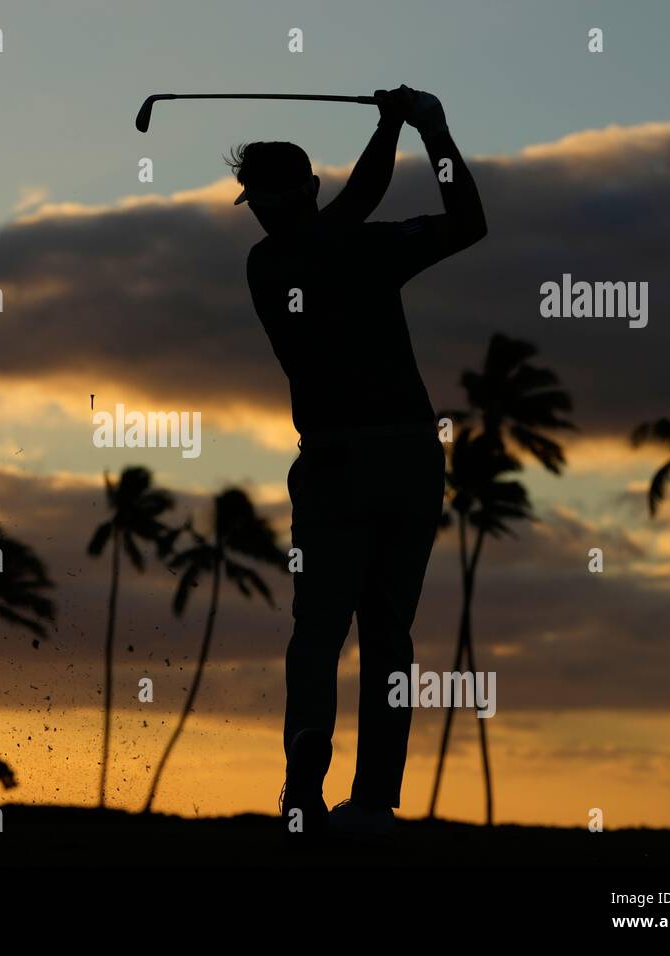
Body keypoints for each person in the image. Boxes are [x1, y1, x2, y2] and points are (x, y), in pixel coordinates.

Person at [236, 86, 487, 839]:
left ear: (257, 201)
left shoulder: (268, 262)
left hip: (337, 461)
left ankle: (307, 754)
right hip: (411, 455)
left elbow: (356, 200)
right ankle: (374, 799)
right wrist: (426, 130)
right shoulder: (364, 246)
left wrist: (394, 127)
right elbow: (466, 219)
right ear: (308, 190)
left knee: (318, 630)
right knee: (389, 635)